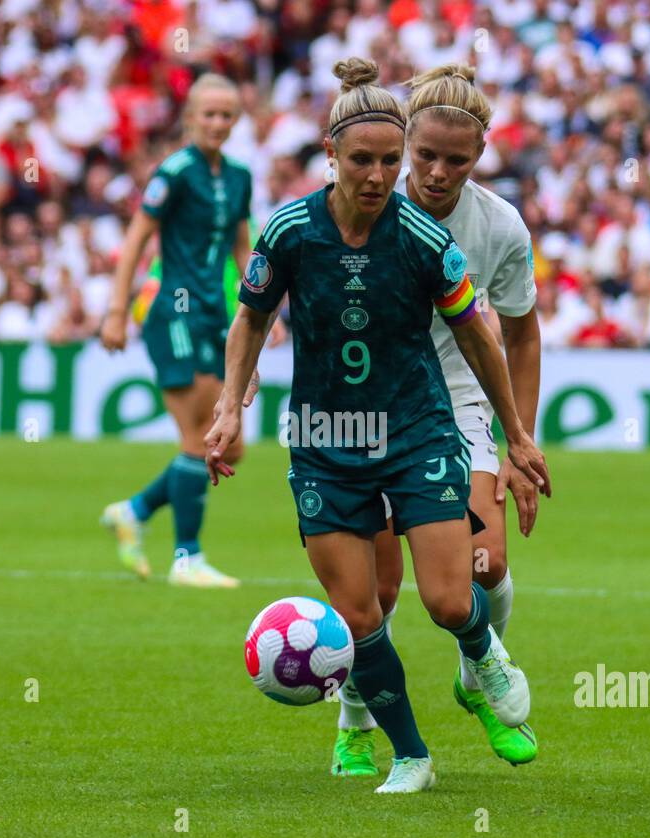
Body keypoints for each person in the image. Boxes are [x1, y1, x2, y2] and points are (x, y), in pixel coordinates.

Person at [206, 58, 551, 794]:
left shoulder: (466, 232)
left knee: (466, 583)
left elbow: (496, 336)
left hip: (435, 408)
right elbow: (251, 316)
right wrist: (232, 402)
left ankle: (478, 657)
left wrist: (519, 437)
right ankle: (384, 737)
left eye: (414, 161)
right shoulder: (296, 228)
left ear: (479, 157)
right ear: (334, 153)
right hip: (332, 434)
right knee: (371, 604)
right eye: (409, 156)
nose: (414, 172)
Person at [328, 64, 546, 777]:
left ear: (481, 155)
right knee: (381, 591)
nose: (438, 171)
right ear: (403, 139)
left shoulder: (500, 227)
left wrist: (522, 440)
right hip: (367, 409)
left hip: (457, 401)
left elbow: (520, 332)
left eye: (460, 159)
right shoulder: (358, 206)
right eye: (425, 154)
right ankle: (356, 724)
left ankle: (476, 674)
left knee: (483, 569)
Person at [99, 74, 252, 588]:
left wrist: (259, 311)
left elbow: (241, 249)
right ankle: (187, 559)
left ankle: (135, 511)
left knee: (231, 447)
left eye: (226, 114)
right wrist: (117, 310)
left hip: (214, 314)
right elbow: (138, 236)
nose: (217, 123)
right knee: (202, 433)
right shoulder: (175, 172)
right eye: (208, 113)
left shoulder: (239, 177)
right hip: (174, 312)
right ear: (190, 118)